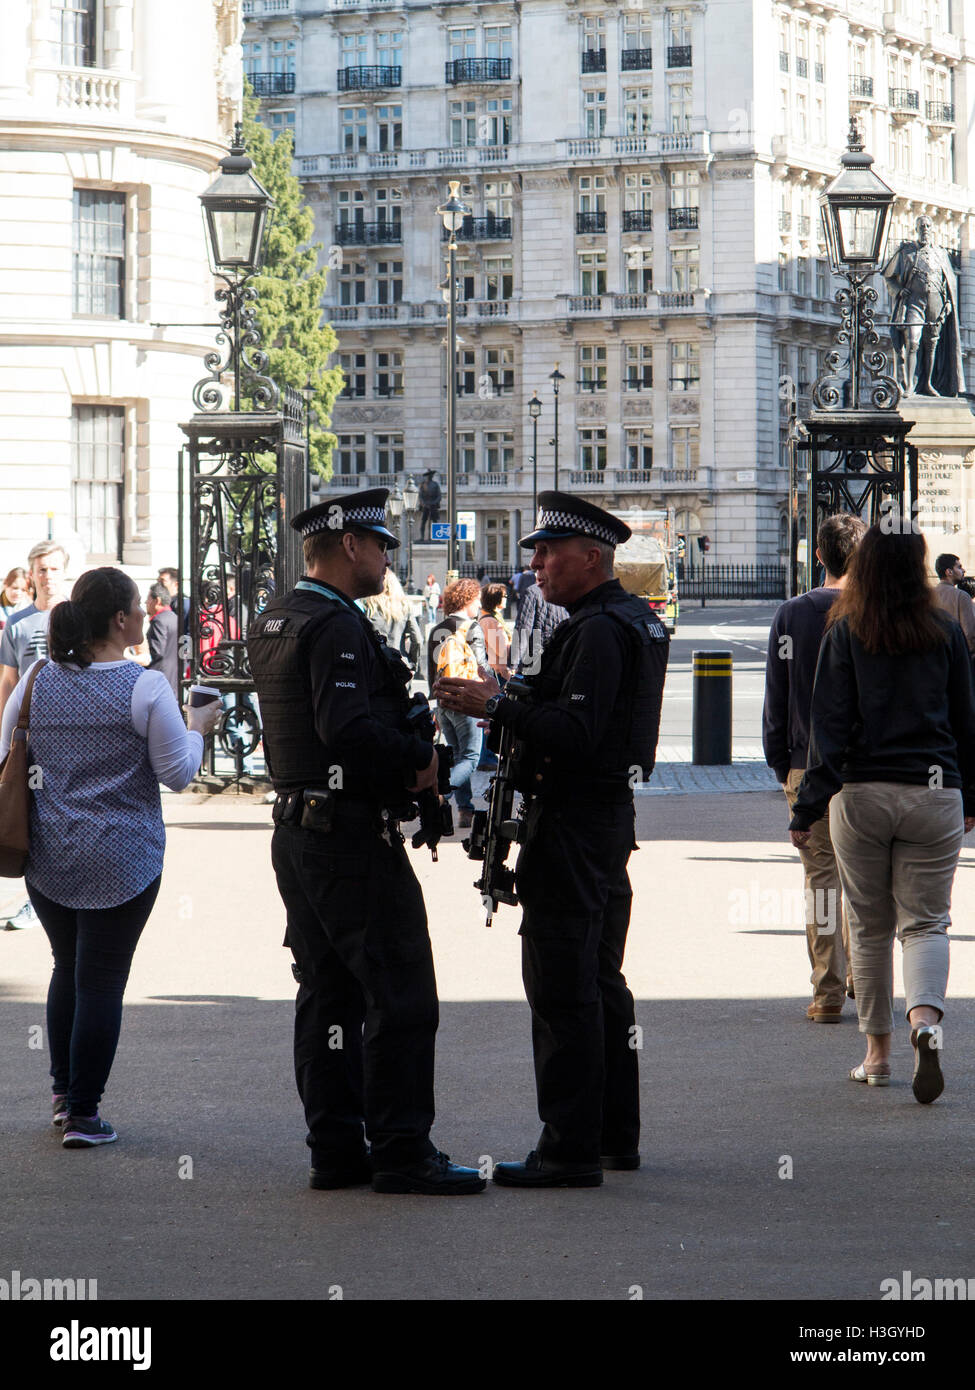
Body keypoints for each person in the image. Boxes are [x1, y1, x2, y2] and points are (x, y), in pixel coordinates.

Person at [246, 490, 485, 1196]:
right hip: (348, 837)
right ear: (348, 546)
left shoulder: (277, 617)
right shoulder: (334, 626)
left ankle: (336, 1148)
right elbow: (345, 729)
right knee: (401, 996)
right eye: (379, 544)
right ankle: (404, 1152)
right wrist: (419, 760)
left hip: (299, 829)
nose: (388, 556)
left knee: (327, 996)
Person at [436, 492, 669, 1187]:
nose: (534, 564)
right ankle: (609, 1136)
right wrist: (511, 693)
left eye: (547, 552)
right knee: (598, 981)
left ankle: (568, 1149)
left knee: (562, 985)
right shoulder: (625, 619)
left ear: (590, 557)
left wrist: (496, 704)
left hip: (572, 824)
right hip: (600, 823)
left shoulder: (599, 630)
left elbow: (577, 736)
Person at [0, 567, 219, 1145]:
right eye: (138, 609)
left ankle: (62, 1095)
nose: (147, 615)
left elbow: (6, 749)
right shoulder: (144, 687)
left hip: (49, 857)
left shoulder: (38, 680)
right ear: (120, 620)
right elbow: (178, 773)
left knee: (66, 971)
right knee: (100, 982)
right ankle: (84, 1113)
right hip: (124, 858)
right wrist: (198, 725)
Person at [789, 526, 975, 1102]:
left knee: (869, 927)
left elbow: (830, 726)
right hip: (933, 789)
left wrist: (808, 805)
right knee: (926, 923)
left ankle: (877, 1057)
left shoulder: (844, 631)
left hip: (861, 792)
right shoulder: (944, 629)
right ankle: (926, 1024)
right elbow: (967, 719)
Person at [763, 513, 866, 1022]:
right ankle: (863, 982)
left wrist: (784, 764)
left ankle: (826, 993)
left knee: (821, 881)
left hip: (808, 765)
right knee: (865, 880)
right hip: (866, 769)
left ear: (818, 555)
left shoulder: (792, 614)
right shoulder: (875, 611)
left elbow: (776, 699)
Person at [0, 541, 69, 931]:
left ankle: (68, 896)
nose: (47, 576)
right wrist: (5, 741)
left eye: (54, 569)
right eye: (41, 569)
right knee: (30, 816)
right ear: (32, 575)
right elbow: (8, 682)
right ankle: (36, 900)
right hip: (31, 739)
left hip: (71, 736)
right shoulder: (19, 623)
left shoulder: (80, 618)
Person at [427, 577, 485, 830]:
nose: (480, 605)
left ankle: (465, 811)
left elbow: (431, 669)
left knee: (458, 755)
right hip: (466, 701)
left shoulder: (437, 628)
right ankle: (442, 794)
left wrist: (436, 703)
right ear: (469, 600)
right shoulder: (472, 628)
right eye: (478, 600)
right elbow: (482, 669)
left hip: (443, 701)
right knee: (471, 758)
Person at [472, 583, 511, 772]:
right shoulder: (491, 621)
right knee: (494, 713)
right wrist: (506, 673)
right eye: (504, 596)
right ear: (496, 599)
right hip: (497, 673)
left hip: (492, 670)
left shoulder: (488, 618)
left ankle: (485, 755)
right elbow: (499, 653)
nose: (506, 599)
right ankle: (487, 756)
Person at [513, 578, 568, 676]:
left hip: (535, 658)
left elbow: (523, 629)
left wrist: (513, 664)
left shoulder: (533, 591)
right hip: (560, 659)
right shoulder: (567, 590)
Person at [134, 582, 179, 697]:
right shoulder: (175, 617)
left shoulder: (159, 620)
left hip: (160, 678)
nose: (145, 603)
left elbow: (157, 652)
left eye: (148, 599)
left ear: (157, 600)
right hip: (175, 677)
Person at [931, 552, 975, 655]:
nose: (963, 570)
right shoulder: (961, 596)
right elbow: (969, 634)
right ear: (949, 572)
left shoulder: (927, 596)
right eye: (959, 567)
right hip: (957, 656)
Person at [418, 471, 442, 540]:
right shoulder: (423, 485)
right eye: (428, 476)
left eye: (431, 475)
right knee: (423, 521)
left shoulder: (435, 484)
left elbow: (439, 496)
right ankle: (422, 537)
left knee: (435, 522)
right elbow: (420, 496)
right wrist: (424, 503)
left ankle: (437, 537)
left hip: (433, 506)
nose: (429, 477)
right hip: (425, 506)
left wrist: (434, 503)